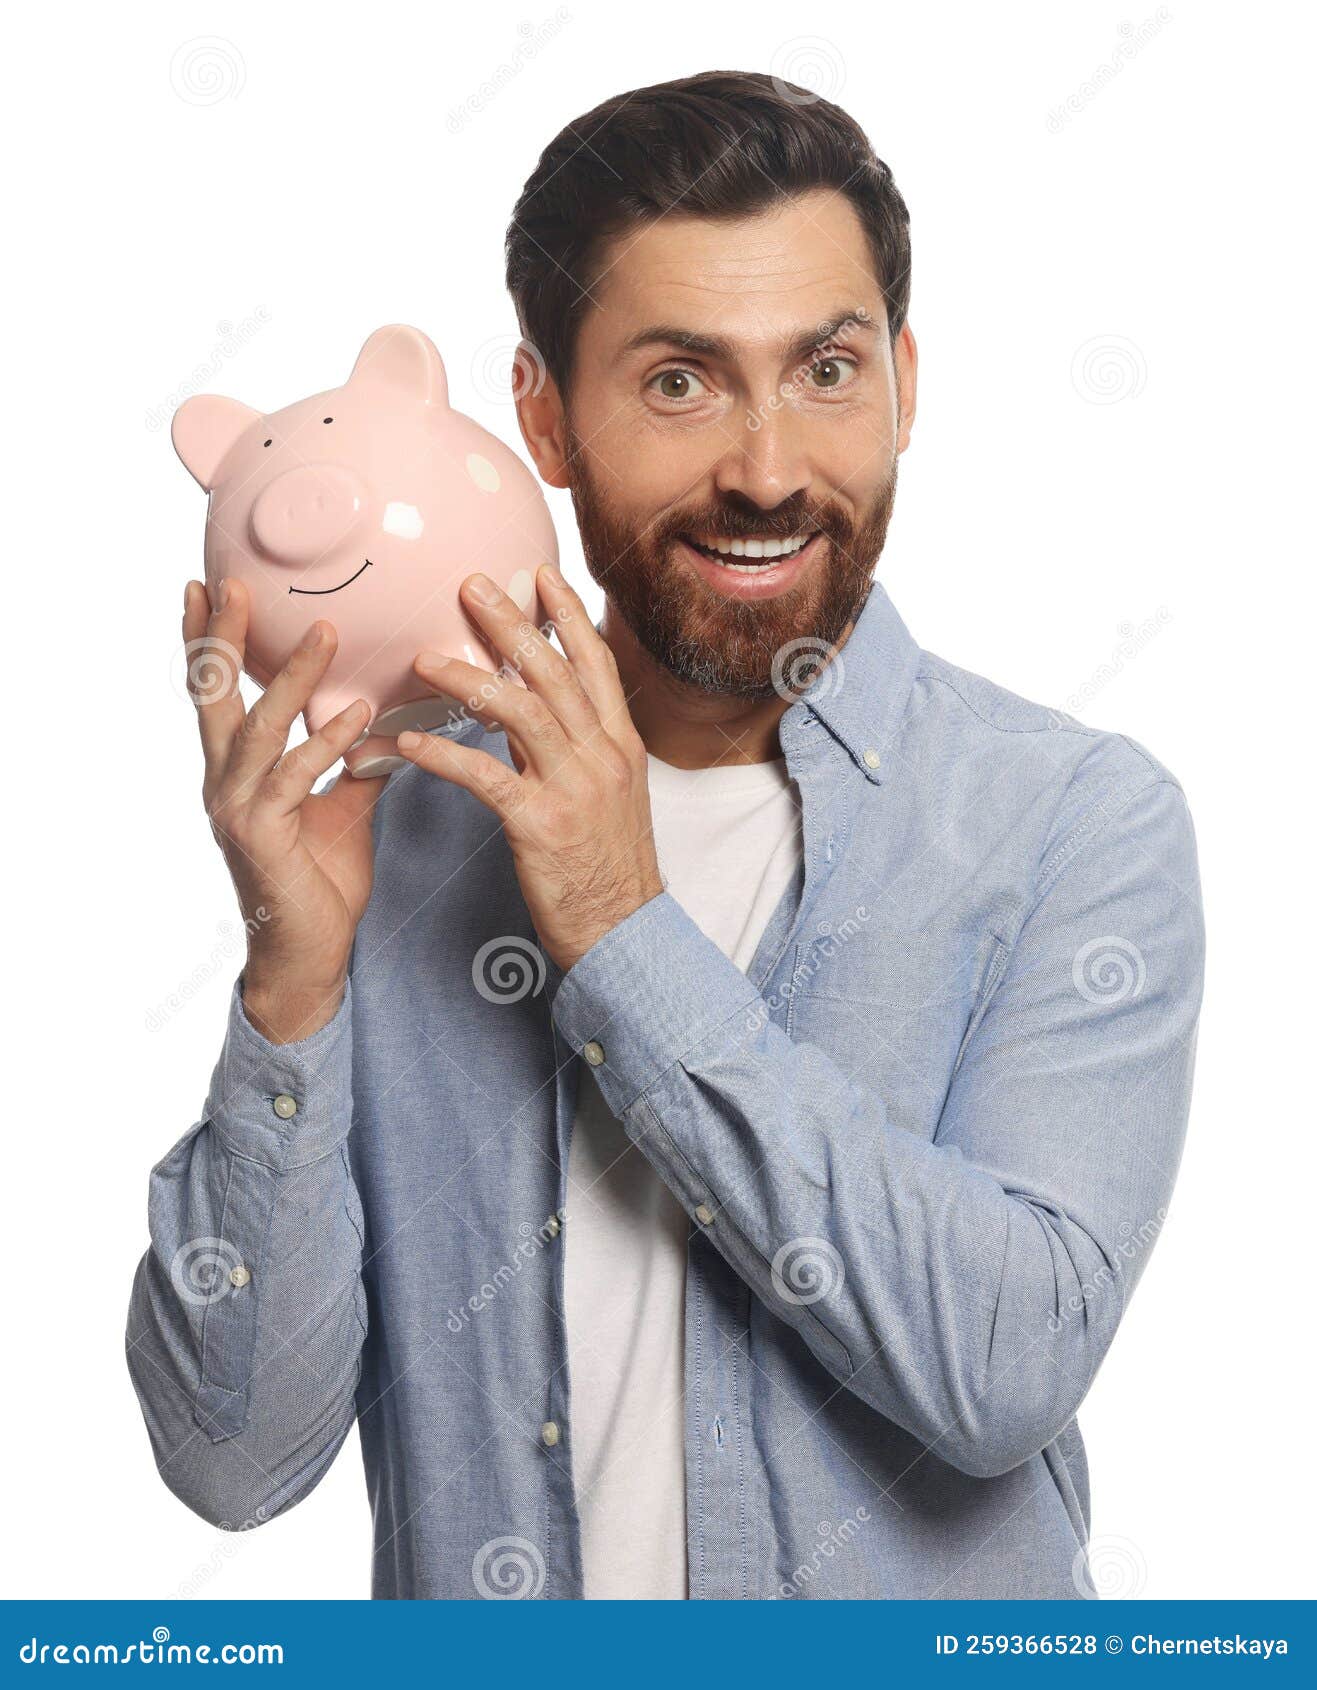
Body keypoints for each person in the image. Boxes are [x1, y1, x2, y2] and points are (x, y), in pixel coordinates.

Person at [126, 70, 1206, 1601]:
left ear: (903, 381)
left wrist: (621, 931)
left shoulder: (1067, 819)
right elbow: (231, 1460)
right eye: (680, 382)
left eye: (824, 370)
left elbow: (1003, 1368)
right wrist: (290, 988)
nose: (766, 468)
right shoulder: (396, 828)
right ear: (543, 418)